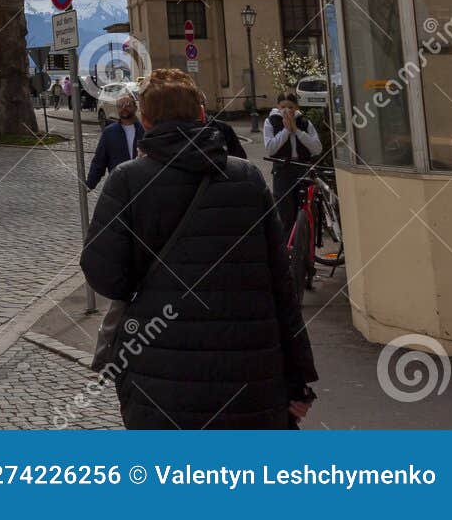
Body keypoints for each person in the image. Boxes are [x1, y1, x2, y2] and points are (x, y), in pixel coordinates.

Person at [81, 68, 317, 429]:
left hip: (160, 371)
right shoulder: (246, 177)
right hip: (250, 368)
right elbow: (281, 282)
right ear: (202, 115)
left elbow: (106, 277)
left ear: (146, 120)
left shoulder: (127, 181)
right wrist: (298, 377)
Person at [264, 91, 322, 228]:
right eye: (283, 107)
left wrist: (296, 130)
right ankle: (287, 245)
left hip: (302, 167)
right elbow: (270, 148)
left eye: (290, 107)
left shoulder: (304, 122)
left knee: (304, 208)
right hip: (283, 169)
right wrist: (286, 131)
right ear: (278, 106)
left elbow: (317, 148)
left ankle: (305, 242)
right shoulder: (271, 122)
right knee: (285, 211)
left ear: (296, 107)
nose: (287, 110)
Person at [86, 94, 142, 190]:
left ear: (135, 107)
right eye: (120, 106)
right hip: (118, 185)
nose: (124, 108)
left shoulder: (144, 130)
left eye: (128, 105)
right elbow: (99, 160)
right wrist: (89, 184)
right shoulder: (109, 132)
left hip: (142, 184)